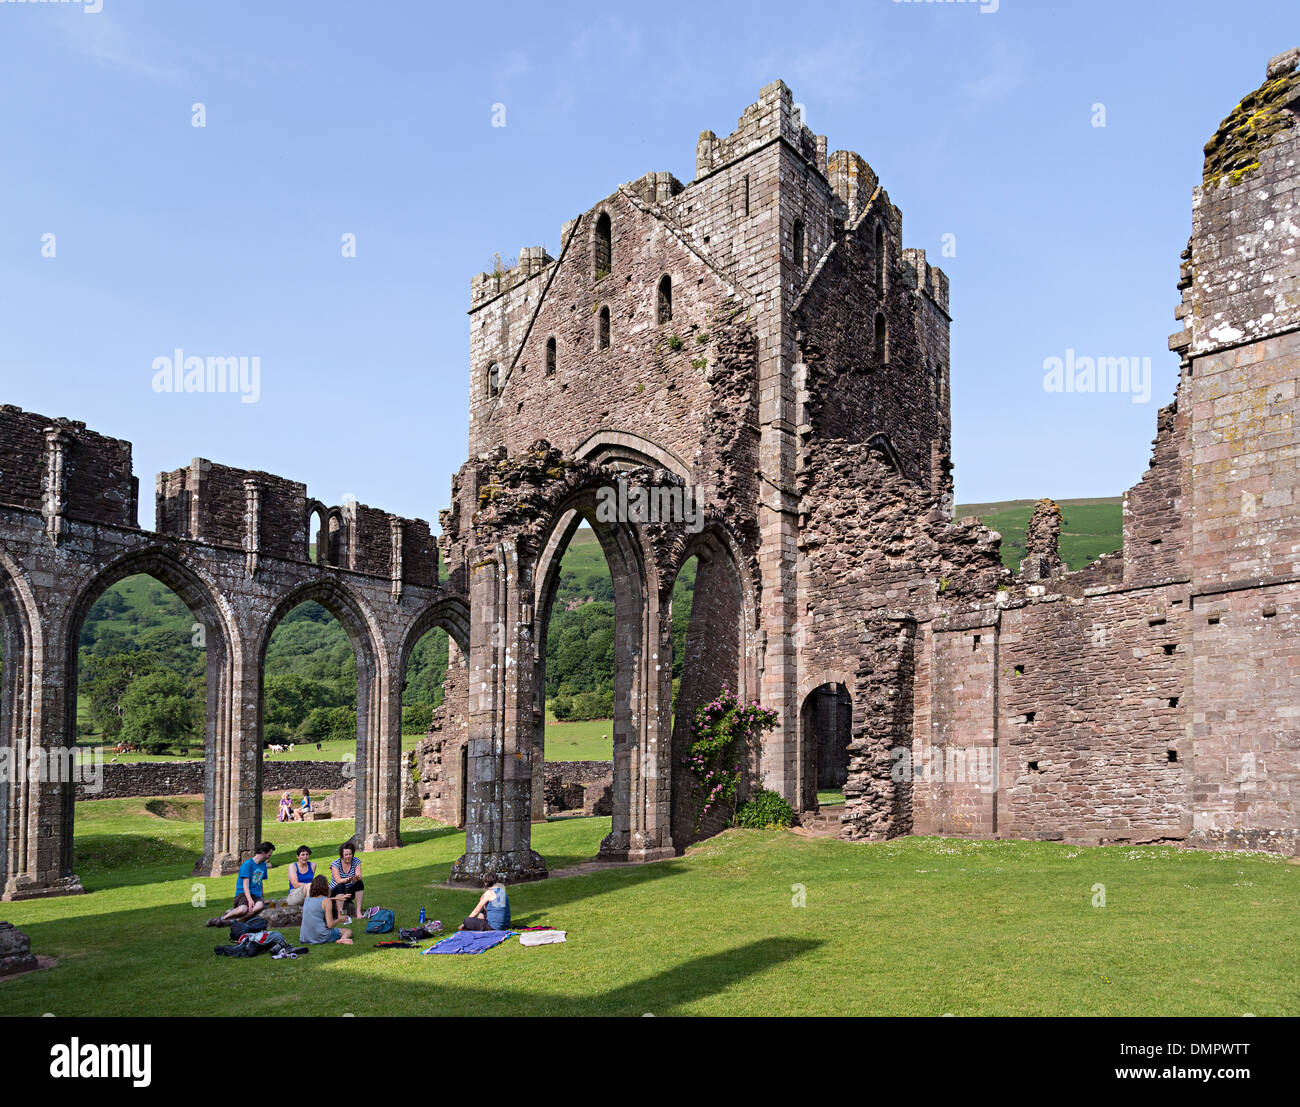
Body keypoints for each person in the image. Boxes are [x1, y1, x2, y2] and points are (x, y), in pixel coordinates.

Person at [207, 842, 274, 926]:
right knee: (243, 909)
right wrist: (249, 900)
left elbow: (260, 883)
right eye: (269, 855)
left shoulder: (263, 865)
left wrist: (262, 899)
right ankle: (222, 919)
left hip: (255, 896)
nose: (269, 857)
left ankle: (236, 921)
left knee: (260, 905)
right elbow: (245, 886)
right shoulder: (247, 864)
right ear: (263, 853)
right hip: (243, 894)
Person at [300, 875, 352, 945]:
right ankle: (343, 939)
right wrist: (339, 920)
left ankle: (342, 939)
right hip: (321, 936)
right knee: (348, 931)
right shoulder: (326, 901)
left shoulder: (307, 898)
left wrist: (335, 898)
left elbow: (318, 901)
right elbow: (330, 925)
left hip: (305, 937)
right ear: (325, 887)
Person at [328, 841, 365, 921]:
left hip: (348, 892)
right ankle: (341, 915)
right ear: (342, 855)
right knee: (341, 885)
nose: (348, 856)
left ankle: (358, 912)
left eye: (350, 854)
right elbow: (338, 880)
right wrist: (349, 879)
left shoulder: (356, 861)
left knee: (359, 883)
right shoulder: (335, 864)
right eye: (346, 855)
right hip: (335, 892)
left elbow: (359, 875)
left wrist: (356, 878)